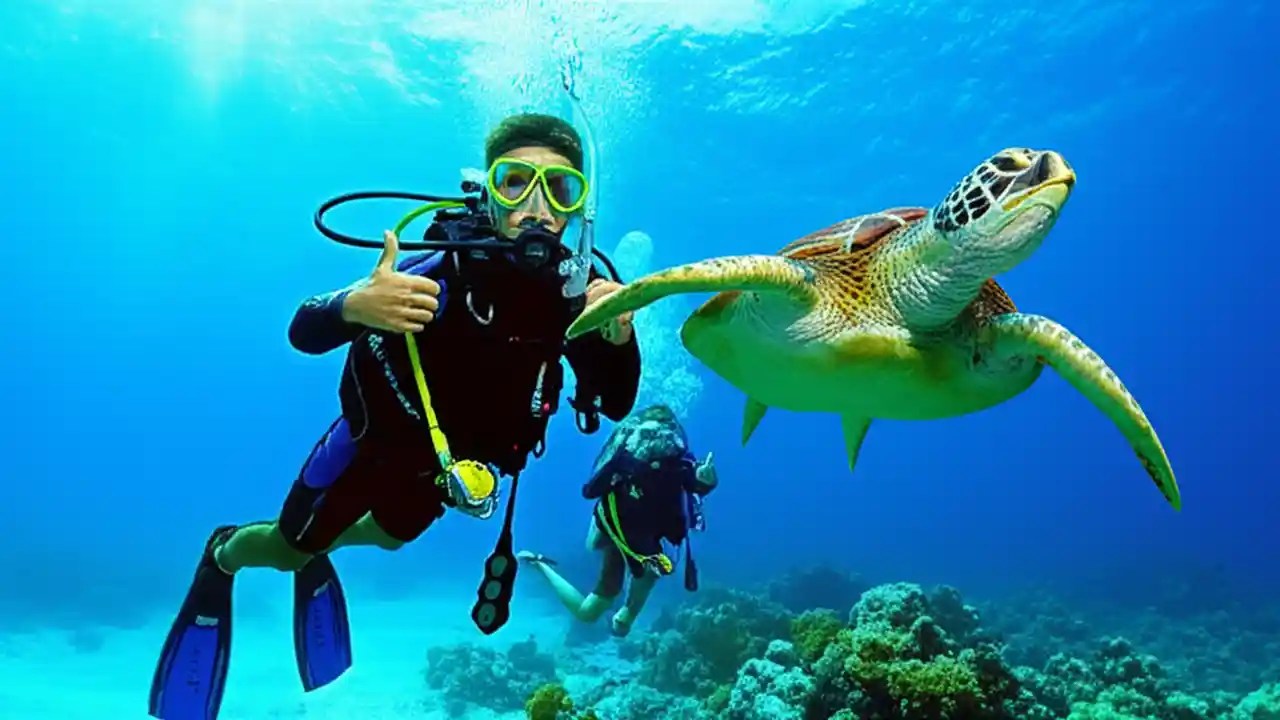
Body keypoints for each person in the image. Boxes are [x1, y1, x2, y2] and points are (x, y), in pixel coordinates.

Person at [148, 112, 641, 720]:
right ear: (488, 190)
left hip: (447, 472)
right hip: (370, 445)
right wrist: (353, 304)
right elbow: (303, 328)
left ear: (576, 210)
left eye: (561, 189)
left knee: (388, 540)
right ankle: (223, 552)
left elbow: (615, 402)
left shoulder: (581, 293)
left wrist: (619, 340)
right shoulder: (444, 263)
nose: (537, 208)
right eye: (516, 182)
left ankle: (325, 543)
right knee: (289, 549)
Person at [518, 404, 718, 638]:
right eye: (651, 433)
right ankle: (539, 563)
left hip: (646, 537)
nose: (659, 441)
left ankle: (626, 615)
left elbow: (694, 487)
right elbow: (591, 490)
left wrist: (707, 480)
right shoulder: (625, 458)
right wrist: (623, 467)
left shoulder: (679, 462)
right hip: (617, 529)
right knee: (589, 612)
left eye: (666, 433)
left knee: (625, 598)